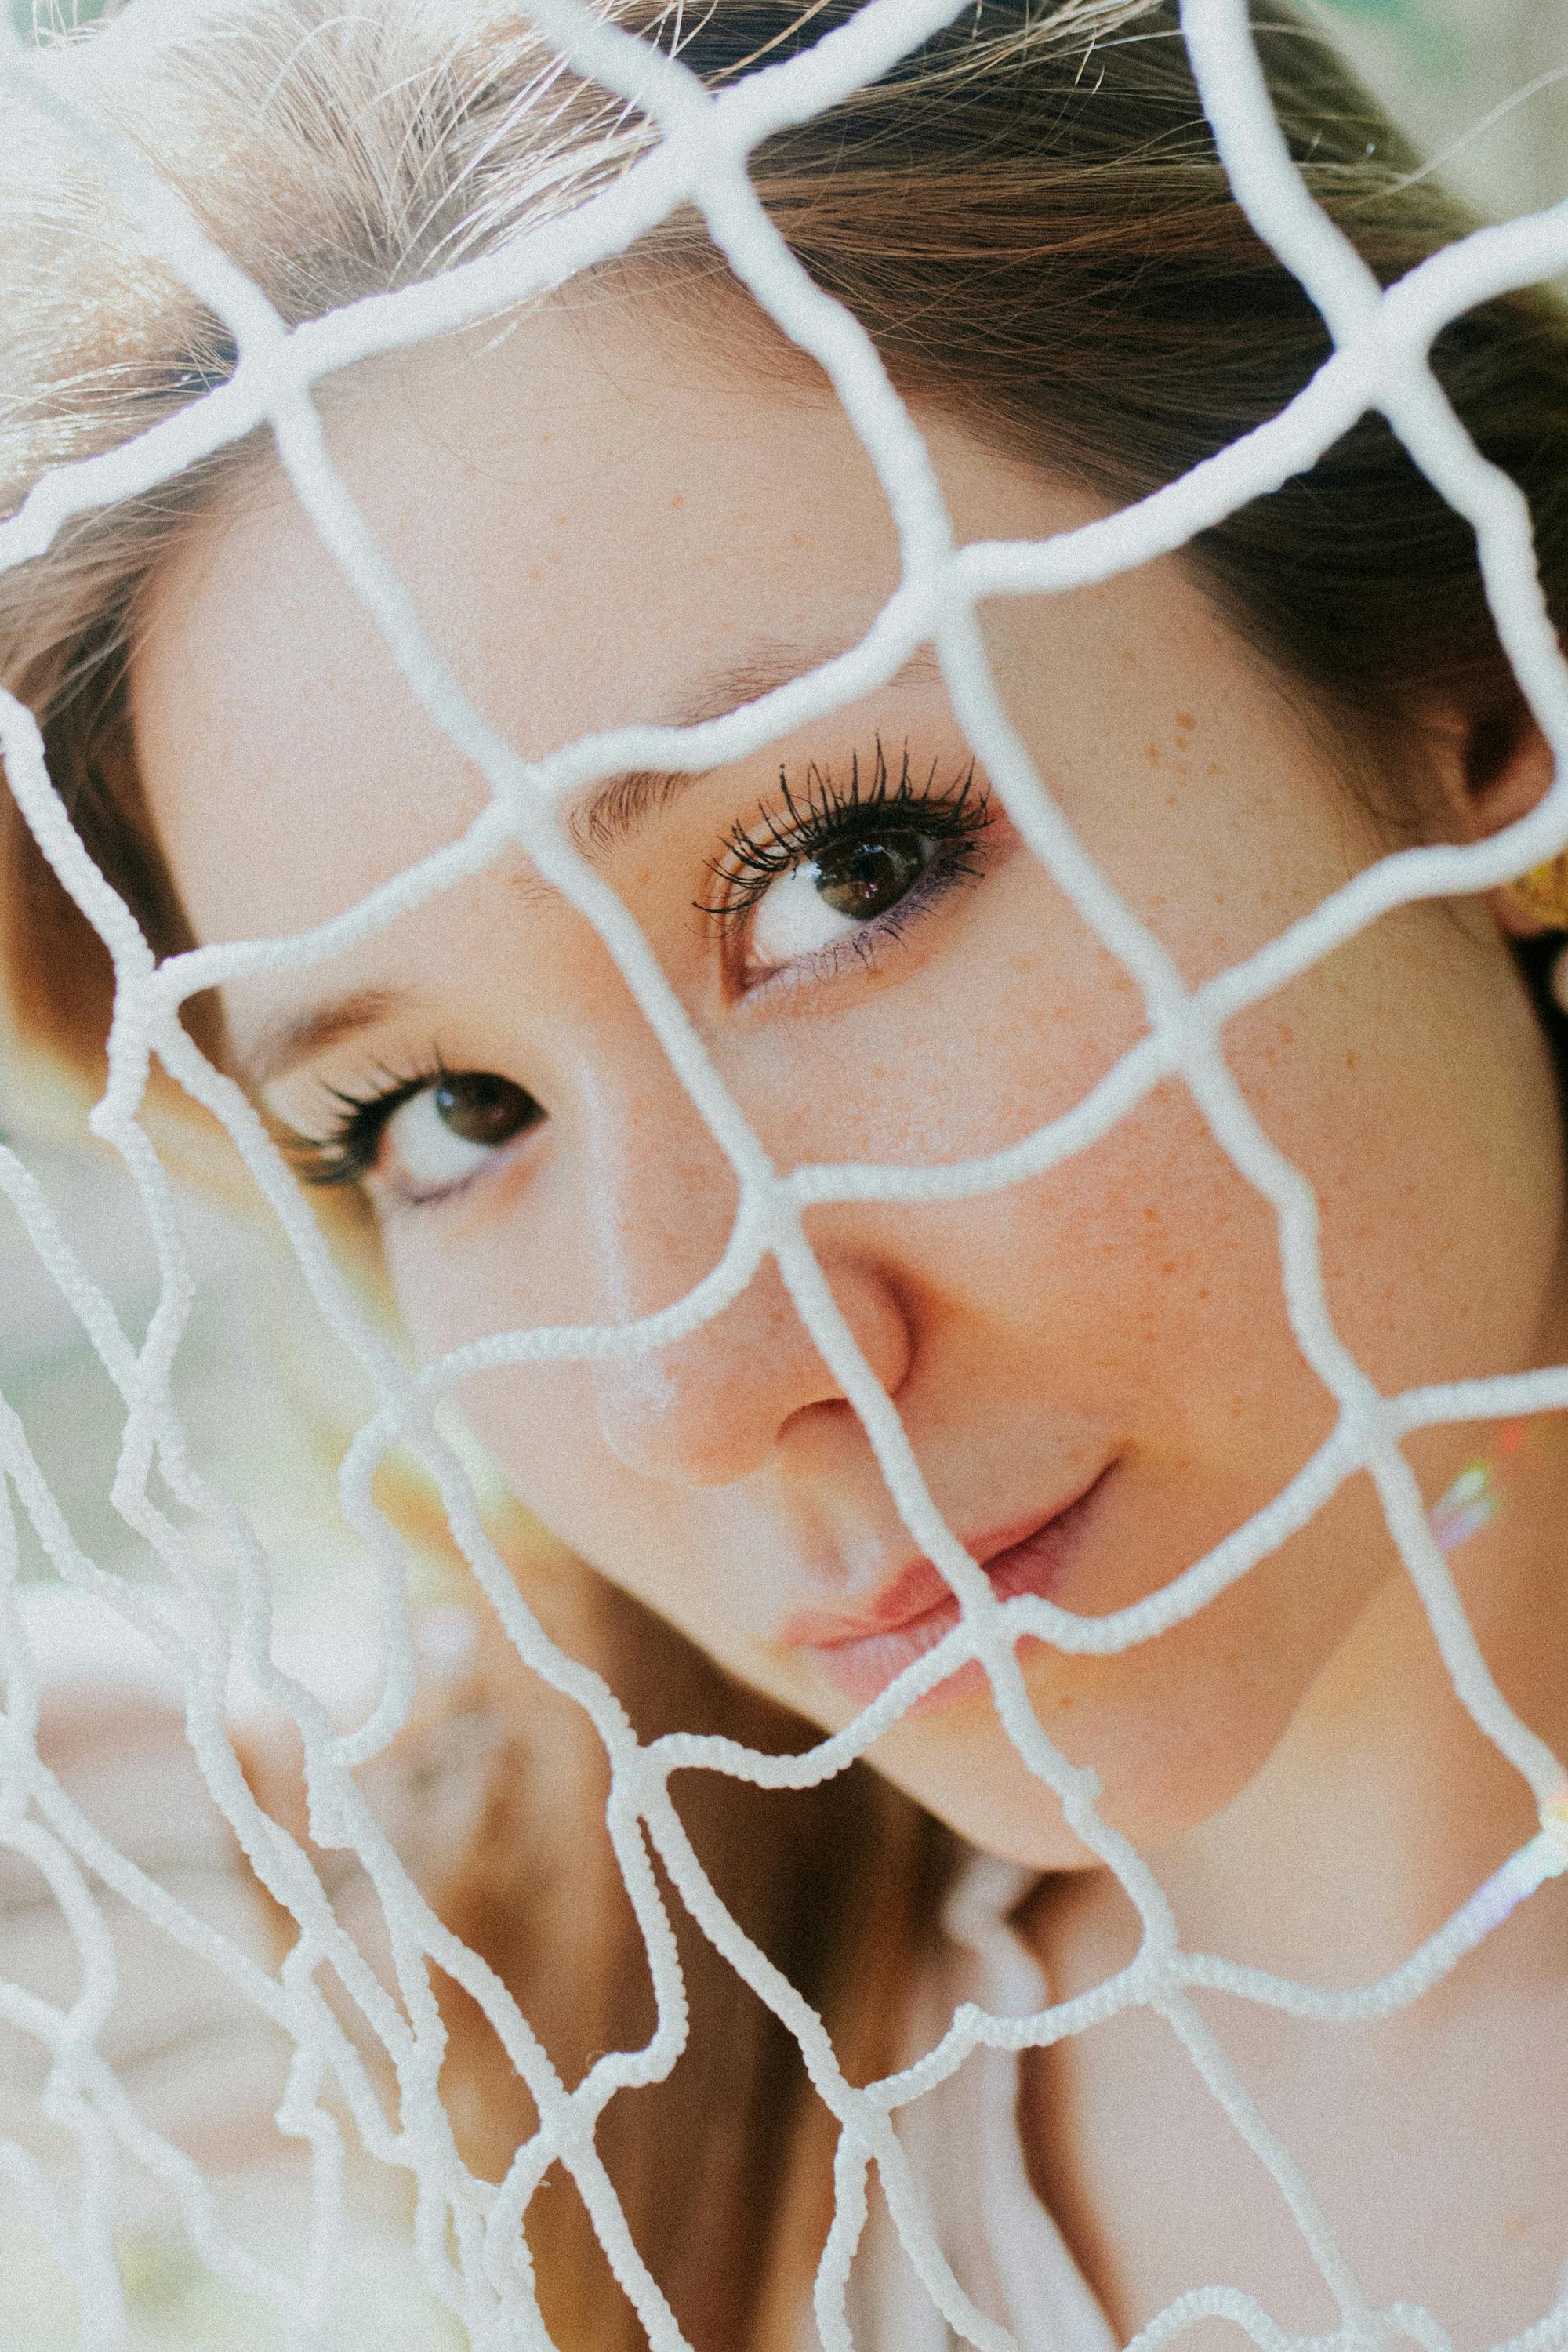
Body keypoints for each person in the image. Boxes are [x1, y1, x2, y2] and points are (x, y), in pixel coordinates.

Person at [3, 1, 1568, 2344]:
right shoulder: (586, 2020)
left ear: (1479, 694)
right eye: (447, 1115)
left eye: (849, 876)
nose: (701, 1382)